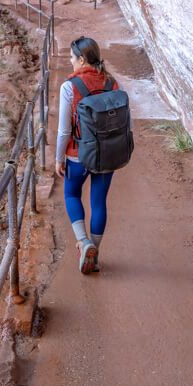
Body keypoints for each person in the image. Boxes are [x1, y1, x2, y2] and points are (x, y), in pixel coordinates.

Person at [55, 36, 119, 275]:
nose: (70, 62)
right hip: (107, 154)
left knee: (72, 194)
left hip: (78, 154)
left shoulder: (69, 87)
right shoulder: (112, 83)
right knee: (99, 201)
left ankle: (84, 243)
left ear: (82, 59)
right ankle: (94, 252)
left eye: (72, 58)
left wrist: (58, 159)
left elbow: (63, 131)